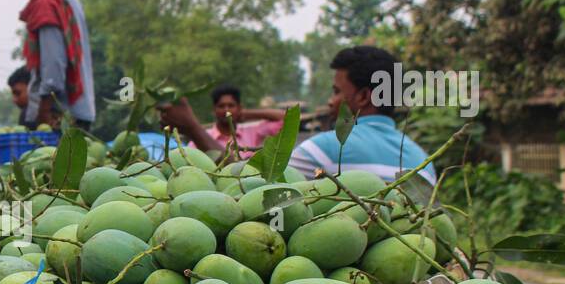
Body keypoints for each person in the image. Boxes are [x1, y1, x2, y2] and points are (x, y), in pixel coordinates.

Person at [288, 45, 436, 183]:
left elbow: (271, 193)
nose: (331, 101)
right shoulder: (423, 163)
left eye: (337, 92)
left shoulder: (322, 151)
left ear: (364, 97)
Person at [6, 0, 95, 129]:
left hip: (58, 116)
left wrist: (43, 115)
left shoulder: (46, 3)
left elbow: (53, 66)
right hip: (81, 109)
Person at [155, 85, 286, 159]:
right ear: (214, 110)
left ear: (239, 107)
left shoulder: (253, 132)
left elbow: (287, 119)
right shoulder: (202, 139)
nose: (226, 110)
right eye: (221, 106)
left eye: (231, 105)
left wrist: (245, 113)